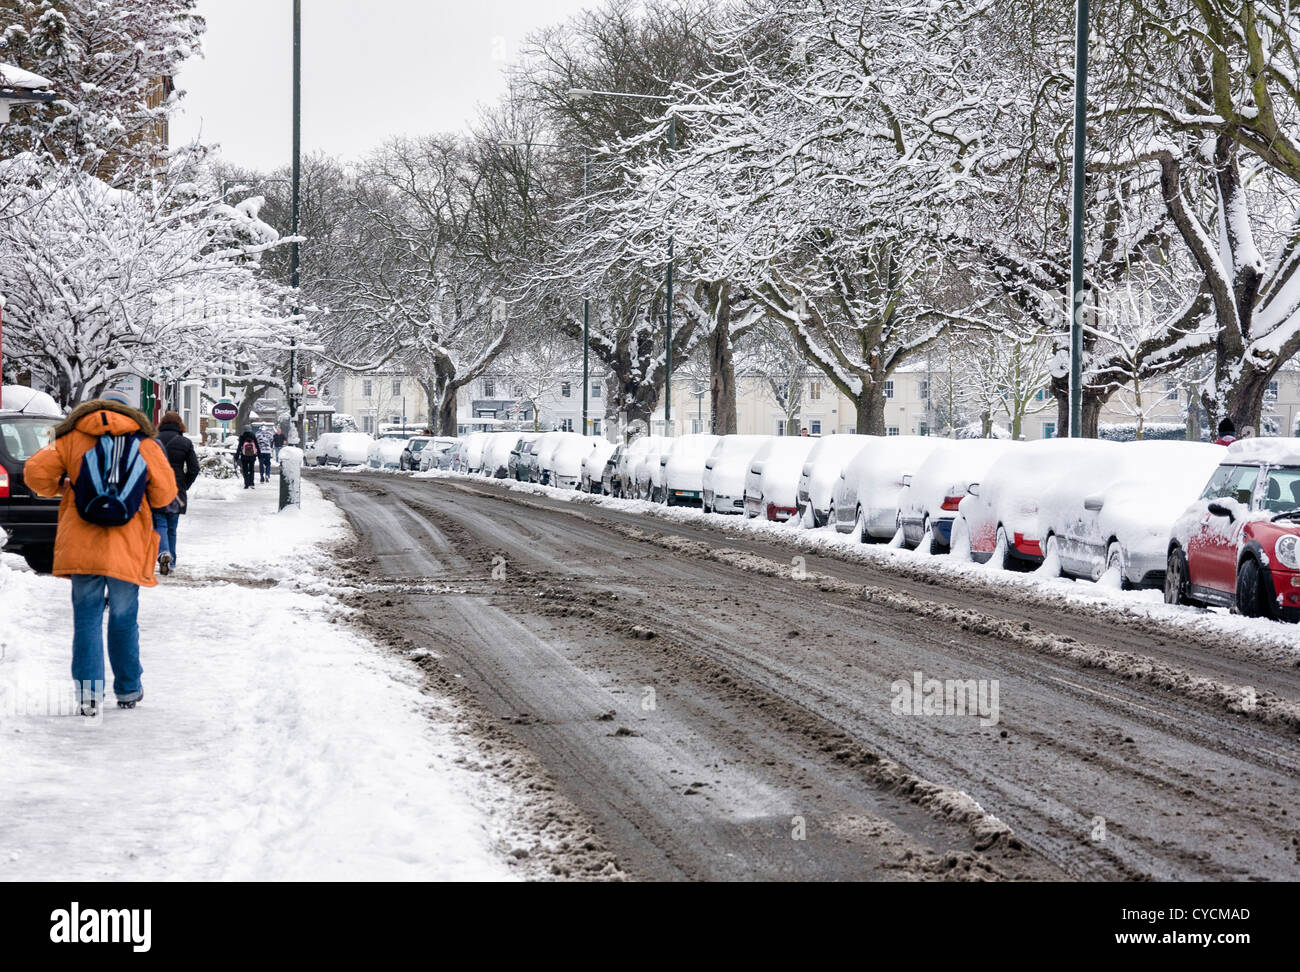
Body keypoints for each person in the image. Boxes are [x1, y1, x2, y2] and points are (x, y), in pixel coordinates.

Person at [23, 390, 178, 716]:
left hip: (81, 547)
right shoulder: (145, 441)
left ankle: (89, 696)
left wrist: (62, 486)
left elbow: (35, 474)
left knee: (87, 620)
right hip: (129, 546)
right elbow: (166, 494)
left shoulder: (64, 435)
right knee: (124, 619)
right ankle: (128, 689)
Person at [153, 410, 200, 575]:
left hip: (157, 488)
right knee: (172, 527)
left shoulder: (153, 441)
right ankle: (171, 561)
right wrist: (184, 485)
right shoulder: (185, 443)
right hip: (176, 488)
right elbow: (194, 469)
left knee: (160, 523)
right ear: (180, 424)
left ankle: (163, 552)